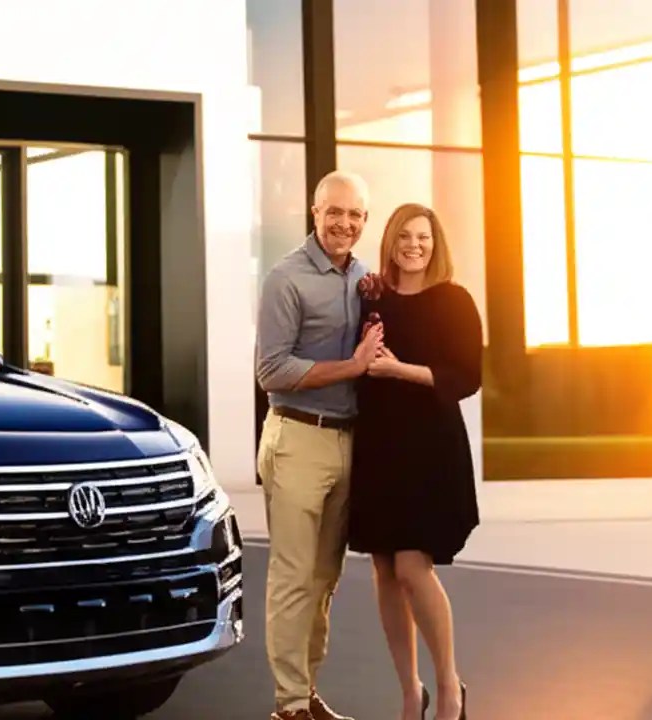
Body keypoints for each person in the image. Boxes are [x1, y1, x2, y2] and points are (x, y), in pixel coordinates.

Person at [255, 170, 384, 720]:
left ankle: (306, 691)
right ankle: (288, 706)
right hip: (297, 438)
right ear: (315, 213)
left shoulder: (364, 278)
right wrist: (351, 366)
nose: (344, 223)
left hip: (347, 441)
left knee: (324, 579)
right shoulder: (285, 279)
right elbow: (272, 371)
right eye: (335, 212)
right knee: (293, 576)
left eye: (355, 215)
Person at [348, 202, 480, 720]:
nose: (413, 245)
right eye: (404, 236)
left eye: (422, 236)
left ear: (435, 242)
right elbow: (360, 364)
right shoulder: (373, 298)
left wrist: (401, 370)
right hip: (379, 445)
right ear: (391, 241)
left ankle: (449, 687)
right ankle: (410, 691)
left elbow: (467, 377)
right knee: (384, 568)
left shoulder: (454, 300)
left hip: (430, 449)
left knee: (411, 566)